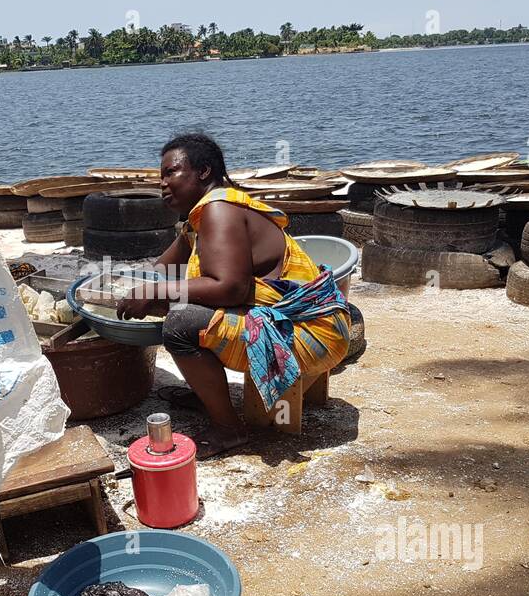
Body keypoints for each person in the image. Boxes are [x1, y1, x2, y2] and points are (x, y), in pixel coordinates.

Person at [117, 134, 354, 458]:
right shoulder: (198, 223)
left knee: (181, 323)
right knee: (175, 300)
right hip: (301, 321)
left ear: (203, 171)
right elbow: (161, 271)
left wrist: (156, 292)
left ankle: (229, 430)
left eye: (171, 172)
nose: (163, 183)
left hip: (315, 333)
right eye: (161, 176)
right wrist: (127, 288)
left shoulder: (219, 211)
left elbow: (231, 288)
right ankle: (208, 394)